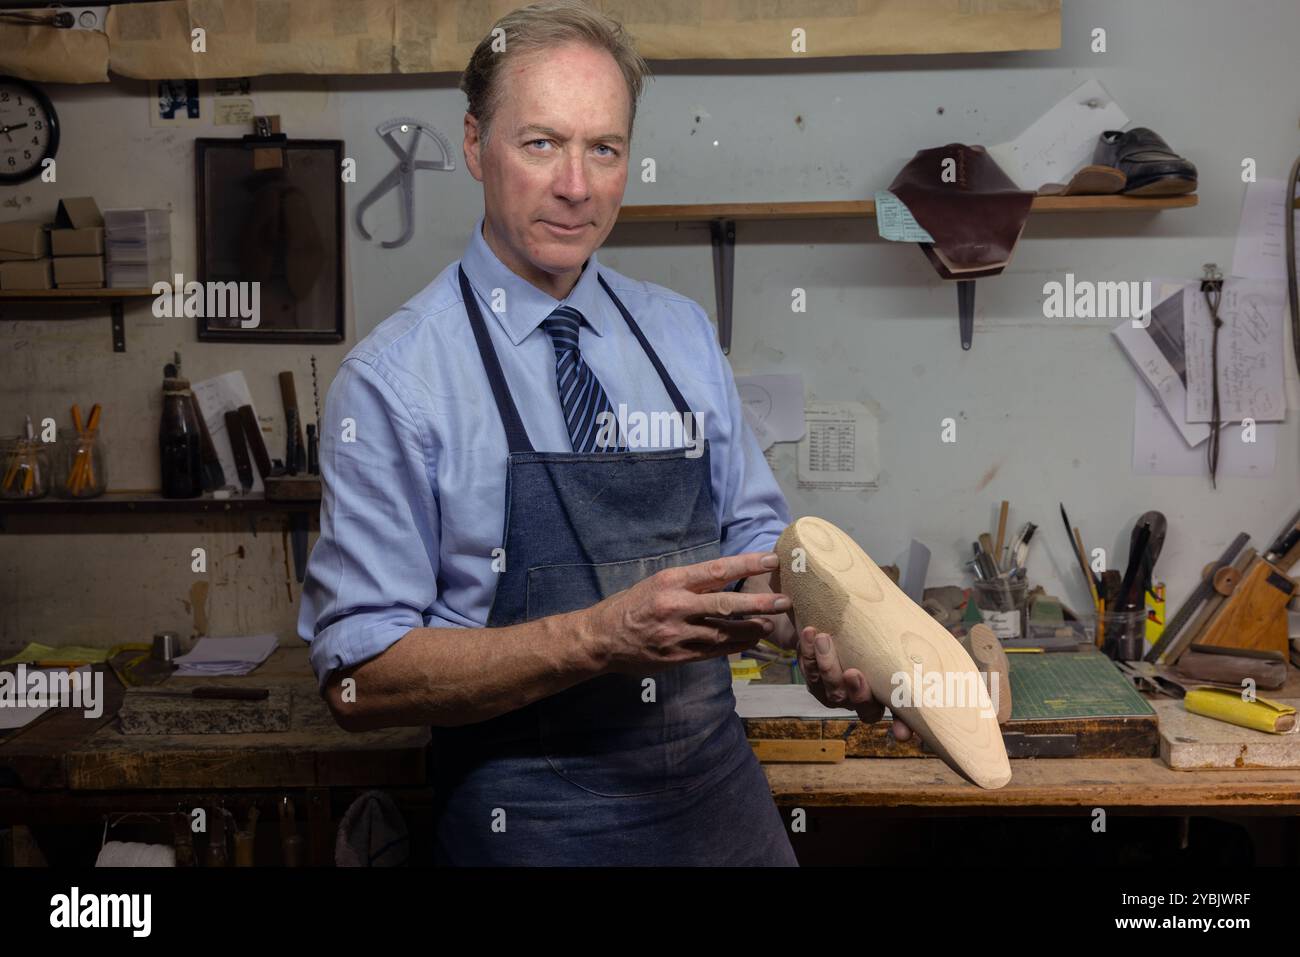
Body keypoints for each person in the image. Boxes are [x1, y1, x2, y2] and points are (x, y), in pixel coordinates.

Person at [299, 0, 909, 866]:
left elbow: (755, 548)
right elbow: (356, 679)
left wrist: (817, 632)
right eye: (540, 143)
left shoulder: (680, 334)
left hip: (719, 808)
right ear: (474, 144)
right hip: (527, 823)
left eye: (604, 149)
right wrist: (598, 638)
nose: (576, 186)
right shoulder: (394, 382)